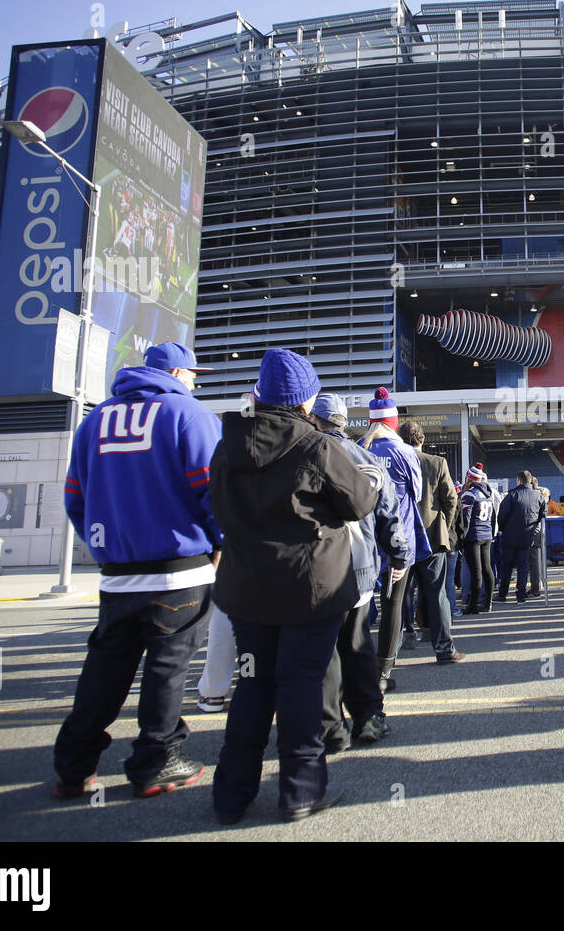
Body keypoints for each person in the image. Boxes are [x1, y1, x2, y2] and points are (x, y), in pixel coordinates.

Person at [210, 350, 377, 824]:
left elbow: (216, 506)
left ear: (259, 395)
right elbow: (360, 502)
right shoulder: (317, 445)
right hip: (311, 590)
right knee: (302, 684)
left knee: (252, 683)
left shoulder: (228, 444)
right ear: (307, 401)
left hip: (247, 590)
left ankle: (231, 795)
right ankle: (300, 790)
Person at [53, 342, 222, 800]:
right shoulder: (189, 415)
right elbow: (214, 492)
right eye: (192, 373)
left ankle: (73, 765)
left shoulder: (94, 420)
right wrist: (221, 545)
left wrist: (109, 542)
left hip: (117, 571)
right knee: (167, 668)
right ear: (174, 372)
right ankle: (156, 760)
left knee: (105, 669)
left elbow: (75, 496)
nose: (194, 381)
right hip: (179, 570)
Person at [311, 392, 409, 749]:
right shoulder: (367, 460)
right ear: (342, 421)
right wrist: (399, 558)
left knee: (323, 651)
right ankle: (368, 717)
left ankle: (331, 727)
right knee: (357, 644)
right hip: (361, 569)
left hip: (318, 573)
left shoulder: (305, 455)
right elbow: (390, 517)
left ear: (314, 419)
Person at [361, 387, 431, 692]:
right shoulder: (404, 453)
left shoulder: (358, 449)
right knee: (393, 606)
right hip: (397, 540)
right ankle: (382, 672)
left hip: (363, 542)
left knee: (360, 609)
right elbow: (416, 494)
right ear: (394, 422)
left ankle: (357, 669)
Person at [399, 420, 463, 664]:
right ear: (422, 439)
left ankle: (391, 653)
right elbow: (451, 499)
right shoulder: (437, 463)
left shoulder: (393, 462)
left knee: (398, 595)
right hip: (431, 539)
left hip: (400, 539)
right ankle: (445, 650)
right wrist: (443, 528)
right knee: (437, 596)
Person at [496, 471, 546, 604]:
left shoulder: (512, 495)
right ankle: (521, 596)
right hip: (527, 538)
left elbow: (502, 515)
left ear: (519, 481)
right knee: (523, 567)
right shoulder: (539, 496)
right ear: (530, 481)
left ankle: (502, 595)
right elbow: (543, 515)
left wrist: (503, 529)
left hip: (510, 537)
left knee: (506, 567)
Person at [459, 466, 497, 616]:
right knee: (487, 569)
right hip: (486, 534)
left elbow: (465, 518)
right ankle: (488, 603)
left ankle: (473, 606)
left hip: (473, 536)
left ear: (469, 478)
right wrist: (491, 533)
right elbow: (493, 516)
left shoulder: (469, 494)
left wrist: (461, 537)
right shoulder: (488, 493)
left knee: (476, 572)